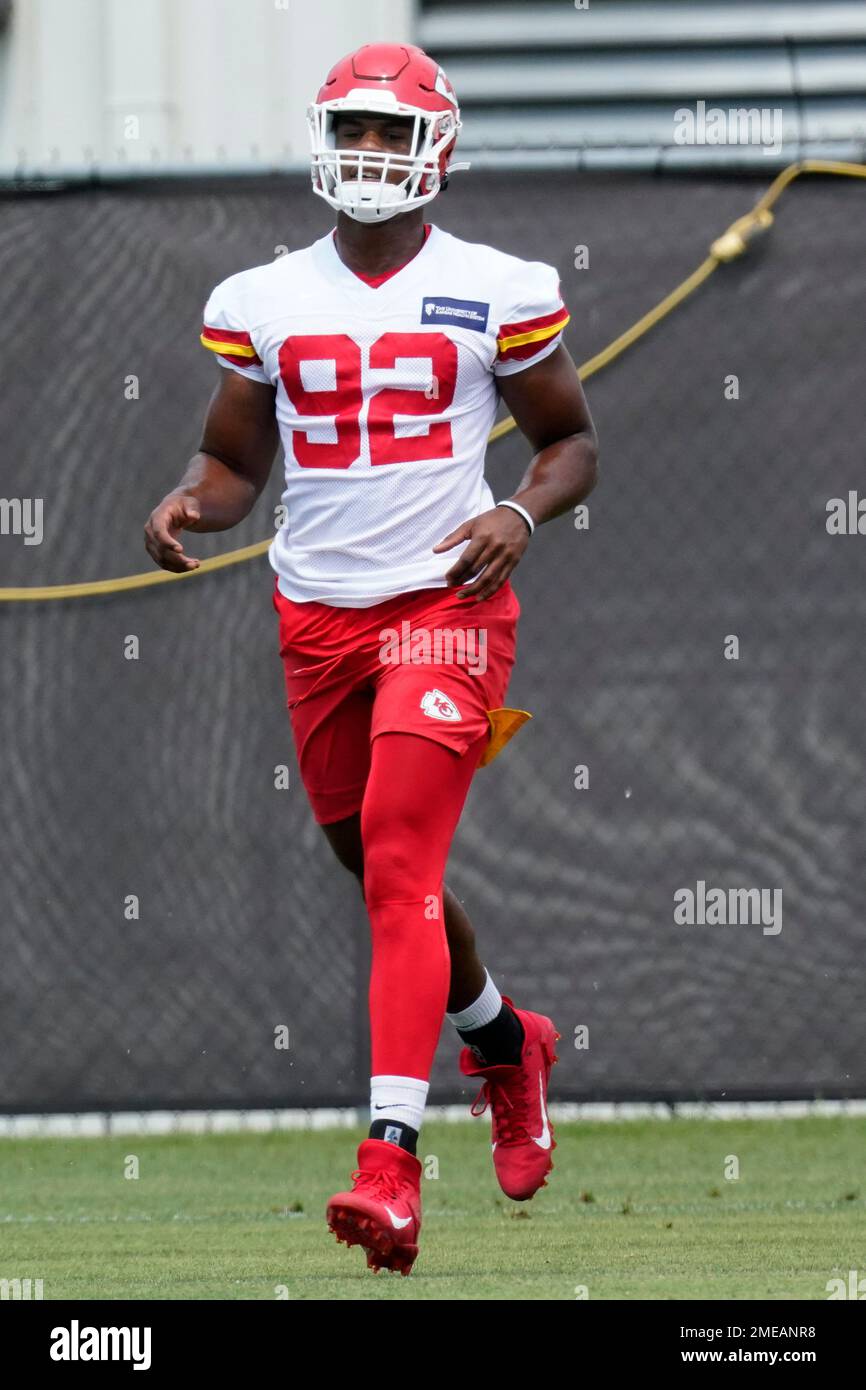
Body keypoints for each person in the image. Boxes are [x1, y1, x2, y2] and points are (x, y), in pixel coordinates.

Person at [144, 41, 598, 1276]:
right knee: (370, 861)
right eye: (350, 128)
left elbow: (568, 442)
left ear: (435, 148)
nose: (367, 154)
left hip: (445, 609)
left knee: (399, 864)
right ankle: (507, 1041)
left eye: (390, 134)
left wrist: (516, 510)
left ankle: (389, 1166)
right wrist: (192, 498)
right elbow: (236, 462)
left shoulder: (498, 286)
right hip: (318, 619)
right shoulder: (261, 299)